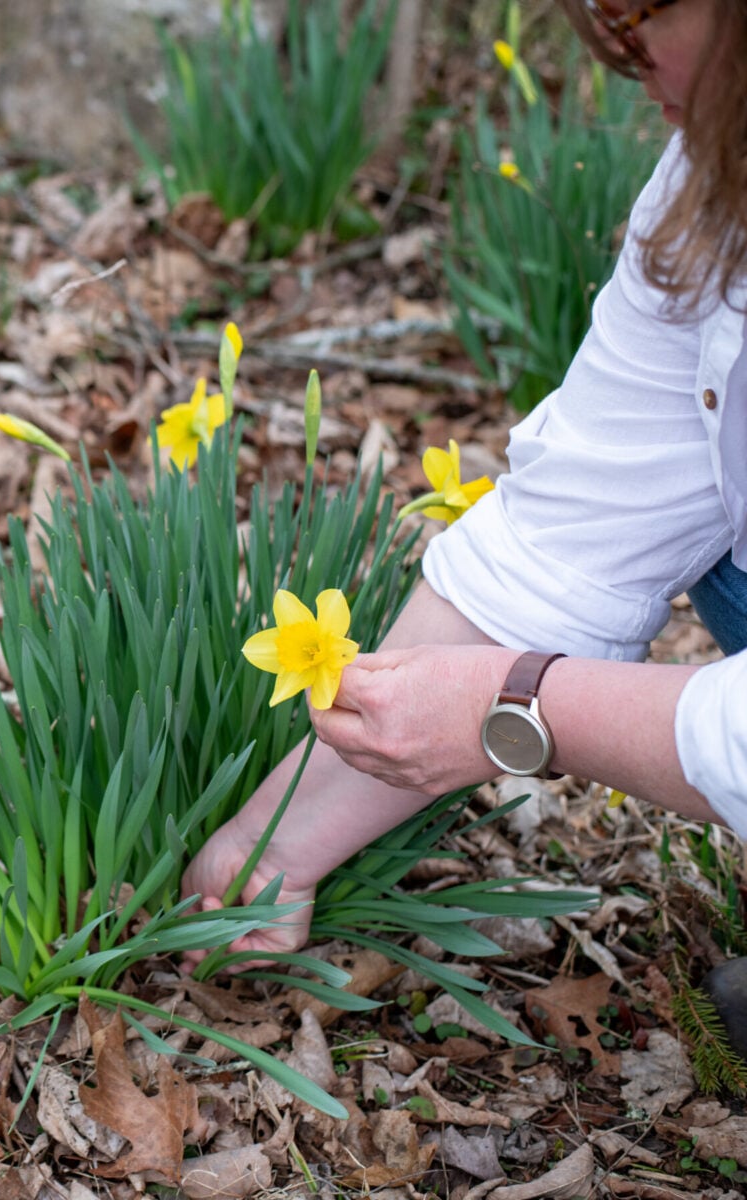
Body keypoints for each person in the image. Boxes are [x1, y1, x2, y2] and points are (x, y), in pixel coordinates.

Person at [182, 0, 747, 1014]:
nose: (619, 56)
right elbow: (566, 539)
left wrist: (519, 707)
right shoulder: (713, 190)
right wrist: (267, 850)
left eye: (636, 9)